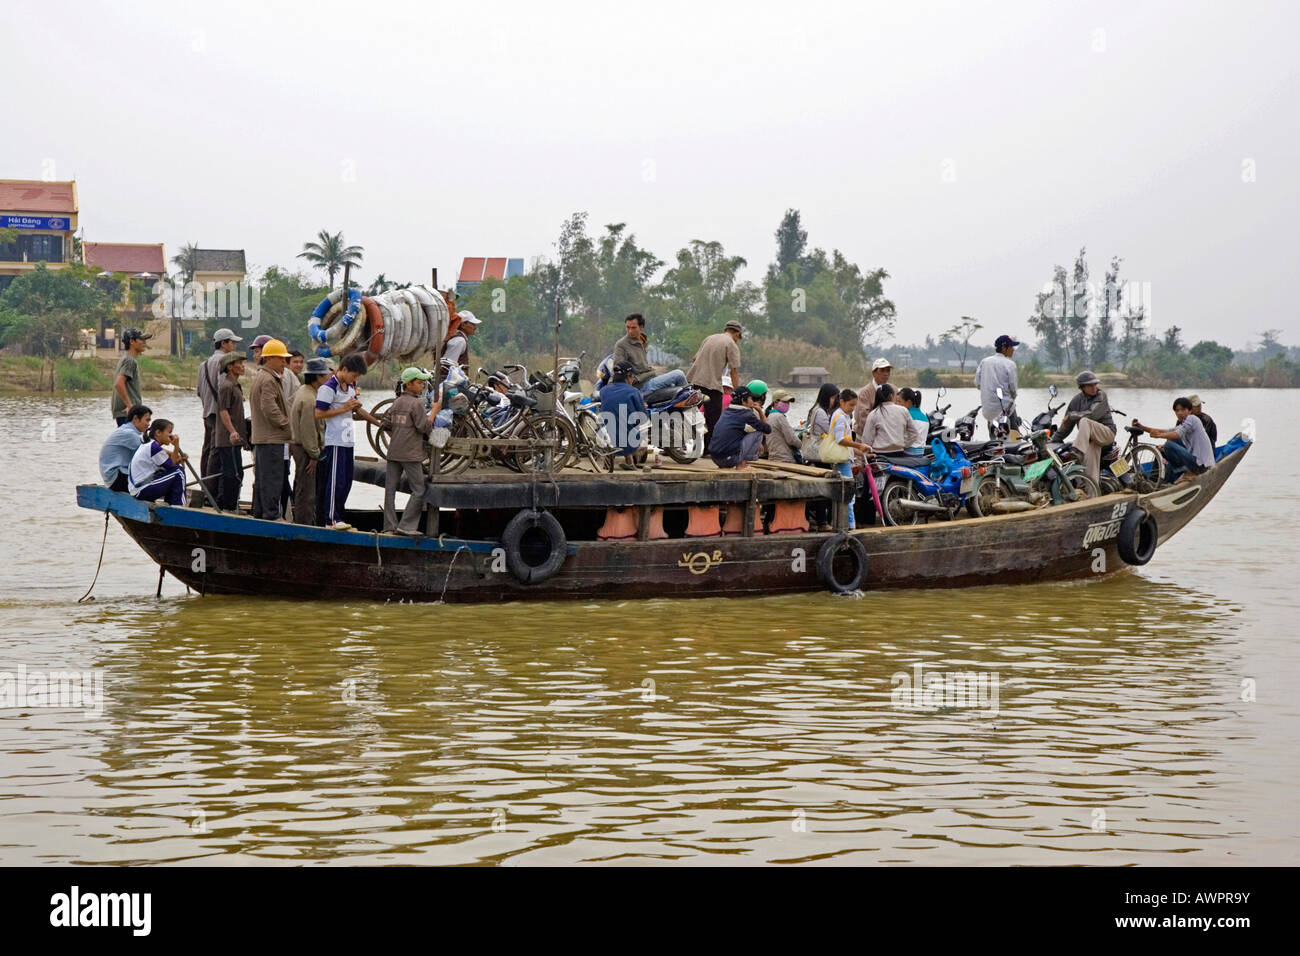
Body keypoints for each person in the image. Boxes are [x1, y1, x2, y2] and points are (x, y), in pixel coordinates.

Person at [316, 353, 384, 529]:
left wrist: (379, 424)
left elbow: (358, 409)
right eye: (354, 375)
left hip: (348, 441)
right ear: (344, 369)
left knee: (346, 481)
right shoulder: (328, 388)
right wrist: (344, 408)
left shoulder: (350, 386)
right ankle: (331, 519)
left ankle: (339, 516)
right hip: (335, 441)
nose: (355, 378)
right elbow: (319, 413)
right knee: (335, 481)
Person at [382, 367, 442, 535]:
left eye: (422, 383)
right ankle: (406, 526)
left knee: (390, 490)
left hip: (394, 452)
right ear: (408, 384)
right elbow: (424, 427)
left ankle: (389, 526)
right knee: (419, 490)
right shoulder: (416, 403)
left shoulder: (397, 401)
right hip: (410, 454)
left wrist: (399, 436)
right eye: (418, 383)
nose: (422, 386)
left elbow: (385, 424)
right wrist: (435, 411)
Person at [249, 338, 294, 520]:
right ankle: (273, 515)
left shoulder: (264, 377)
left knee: (263, 479)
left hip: (264, 439)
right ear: (269, 359)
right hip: (271, 438)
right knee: (273, 480)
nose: (284, 362)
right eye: (281, 358)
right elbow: (269, 408)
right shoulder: (268, 379)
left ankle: (261, 513)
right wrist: (286, 423)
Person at [197, 328, 243, 496]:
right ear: (223, 343)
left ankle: (206, 490)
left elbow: (199, 391)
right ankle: (213, 492)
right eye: (232, 342)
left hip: (207, 412)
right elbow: (225, 390)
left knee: (207, 450)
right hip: (220, 415)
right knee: (218, 453)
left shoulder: (204, 364)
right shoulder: (225, 361)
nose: (234, 345)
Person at [1052, 370, 1116, 488]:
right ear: (1082, 387)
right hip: (1091, 440)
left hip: (1107, 433)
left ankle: (1077, 452)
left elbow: (1092, 415)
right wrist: (1052, 440)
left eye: (1095, 384)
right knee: (1090, 471)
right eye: (1090, 385)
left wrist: (1072, 416)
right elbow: (1066, 426)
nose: (1094, 388)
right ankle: (1093, 496)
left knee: (1084, 421)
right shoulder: (1076, 401)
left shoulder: (1101, 396)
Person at [686, 320, 743, 452]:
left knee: (689, 414)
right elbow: (733, 371)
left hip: (695, 380)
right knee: (714, 419)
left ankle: (672, 443)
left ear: (725, 330)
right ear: (737, 334)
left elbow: (694, 358)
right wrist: (737, 392)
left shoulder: (709, 338)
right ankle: (710, 449)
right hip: (712, 385)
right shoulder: (731, 344)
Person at [1135, 397, 1215, 483]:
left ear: (1190, 410)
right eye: (1177, 410)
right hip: (1196, 460)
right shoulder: (1183, 423)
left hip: (1201, 465)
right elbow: (1166, 431)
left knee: (1169, 445)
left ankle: (1187, 472)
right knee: (1169, 445)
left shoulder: (1192, 419)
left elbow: (1176, 435)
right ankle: (1172, 477)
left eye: (1183, 410)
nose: (1180, 413)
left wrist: (1159, 436)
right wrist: (1142, 427)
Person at [290, 358, 331, 525]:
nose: (329, 378)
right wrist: (314, 455)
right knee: (307, 492)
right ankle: (305, 526)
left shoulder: (304, 391)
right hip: (305, 449)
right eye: (326, 375)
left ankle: (304, 521)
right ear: (318, 377)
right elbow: (309, 432)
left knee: (303, 488)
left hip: (301, 446)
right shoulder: (310, 400)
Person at [829, 389, 873, 530]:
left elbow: (845, 442)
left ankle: (846, 525)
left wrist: (861, 452)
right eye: (850, 405)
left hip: (844, 458)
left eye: (855, 405)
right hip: (842, 461)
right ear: (842, 402)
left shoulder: (842, 415)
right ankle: (851, 527)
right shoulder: (840, 417)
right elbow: (840, 439)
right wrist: (859, 445)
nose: (853, 408)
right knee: (849, 496)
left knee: (845, 495)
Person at [614, 313, 688, 395]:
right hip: (641, 386)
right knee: (679, 374)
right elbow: (618, 372)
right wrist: (647, 375)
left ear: (641, 327)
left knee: (674, 385)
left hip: (649, 380)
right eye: (627, 327)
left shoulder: (643, 341)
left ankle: (686, 403)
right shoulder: (621, 345)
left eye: (633, 328)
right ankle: (691, 399)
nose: (630, 331)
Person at [800, 383, 840, 532]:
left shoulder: (814, 409)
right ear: (828, 397)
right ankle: (823, 521)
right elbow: (830, 432)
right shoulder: (821, 413)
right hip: (820, 456)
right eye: (834, 397)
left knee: (819, 490)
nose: (835, 400)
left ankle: (815, 520)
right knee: (825, 490)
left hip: (815, 457)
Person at [212, 351, 248, 510]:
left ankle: (228, 505)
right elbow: (223, 411)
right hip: (228, 439)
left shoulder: (234, 384)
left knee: (236, 473)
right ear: (230, 367)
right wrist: (233, 431)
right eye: (239, 363)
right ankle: (226, 507)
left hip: (234, 439)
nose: (242, 366)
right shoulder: (226, 386)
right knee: (232, 475)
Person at [596, 361, 649, 468]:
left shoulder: (604, 391)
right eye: (633, 377)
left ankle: (609, 462)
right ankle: (629, 461)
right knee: (630, 427)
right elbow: (644, 416)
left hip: (604, 438)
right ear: (628, 377)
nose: (633, 379)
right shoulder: (634, 392)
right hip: (630, 441)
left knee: (614, 424)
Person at [708, 385, 771, 470]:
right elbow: (767, 429)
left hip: (715, 458)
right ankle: (742, 465)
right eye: (750, 399)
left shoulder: (726, 411)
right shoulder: (746, 413)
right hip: (729, 460)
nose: (752, 401)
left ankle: (736, 462)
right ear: (743, 401)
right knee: (758, 432)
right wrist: (760, 411)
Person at [128, 419, 187, 505]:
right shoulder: (153, 446)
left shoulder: (149, 444)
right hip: (142, 489)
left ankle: (171, 503)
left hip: (137, 489)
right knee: (179, 472)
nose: (171, 435)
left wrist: (179, 458)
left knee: (172, 472)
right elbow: (172, 465)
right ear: (158, 433)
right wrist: (176, 446)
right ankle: (178, 506)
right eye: (169, 432)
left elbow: (170, 464)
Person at [974, 335, 1020, 439]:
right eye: (1011, 347)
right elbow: (1013, 389)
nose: (1013, 350)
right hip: (1005, 410)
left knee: (994, 439)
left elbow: (977, 384)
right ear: (1005, 348)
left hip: (988, 411)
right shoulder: (1010, 364)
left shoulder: (984, 362)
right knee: (1015, 437)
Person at [99, 404, 151, 492]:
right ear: (135, 419)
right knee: (159, 474)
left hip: (116, 477)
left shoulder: (128, 430)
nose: (148, 424)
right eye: (147, 420)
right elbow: (151, 451)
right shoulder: (129, 434)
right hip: (116, 478)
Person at [860, 384, 923, 456]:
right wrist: (903, 444)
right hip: (899, 454)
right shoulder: (903, 410)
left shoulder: (873, 414)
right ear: (891, 395)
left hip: (879, 455)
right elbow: (914, 433)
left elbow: (867, 439)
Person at [111, 328, 151, 424]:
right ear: (132, 341)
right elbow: (119, 384)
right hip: (128, 414)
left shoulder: (125, 359)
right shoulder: (130, 361)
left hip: (127, 413)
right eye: (141, 340)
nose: (144, 343)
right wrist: (130, 406)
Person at [763, 388, 803, 464]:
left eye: (788, 402)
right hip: (785, 458)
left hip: (773, 457)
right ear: (775, 402)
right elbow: (792, 439)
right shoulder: (779, 417)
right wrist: (800, 444)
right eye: (785, 402)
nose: (787, 404)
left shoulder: (769, 416)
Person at [899, 388, 929, 455]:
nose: (897, 404)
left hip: (907, 453)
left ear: (908, 402)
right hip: (921, 453)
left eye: (899, 401)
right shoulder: (925, 417)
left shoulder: (906, 414)